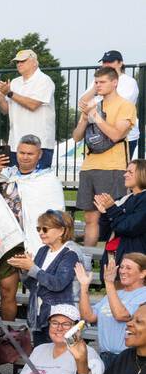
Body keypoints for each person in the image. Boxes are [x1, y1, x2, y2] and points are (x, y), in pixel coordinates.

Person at [0, 137, 67, 321]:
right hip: (10, 241)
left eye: (30, 153)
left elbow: (57, 215)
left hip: (37, 243)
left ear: (39, 155)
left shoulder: (48, 180)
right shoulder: (5, 174)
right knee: (6, 290)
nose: (25, 157)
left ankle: (41, 333)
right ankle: (8, 336)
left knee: (42, 291)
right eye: (21, 153)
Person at [72, 65, 136, 247]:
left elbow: (117, 135)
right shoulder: (94, 104)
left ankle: (113, 259)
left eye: (102, 82)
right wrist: (85, 119)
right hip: (89, 166)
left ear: (114, 83)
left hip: (113, 167)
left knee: (113, 215)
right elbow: (76, 137)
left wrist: (96, 117)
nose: (98, 86)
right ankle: (87, 258)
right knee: (90, 218)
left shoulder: (126, 105)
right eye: (96, 82)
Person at [9, 210, 80, 343]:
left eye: (45, 229)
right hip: (40, 316)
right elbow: (33, 285)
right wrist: (24, 270)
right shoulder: (43, 251)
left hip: (61, 319)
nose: (41, 232)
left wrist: (32, 268)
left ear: (61, 231)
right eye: (39, 228)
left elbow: (58, 283)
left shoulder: (70, 254)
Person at [0, 48, 57, 169]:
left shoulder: (44, 81)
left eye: (23, 61)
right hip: (15, 143)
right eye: (17, 62)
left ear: (34, 62)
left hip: (39, 144)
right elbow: (5, 110)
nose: (19, 64)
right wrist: (1, 95)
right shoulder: (15, 82)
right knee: (15, 184)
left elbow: (33, 105)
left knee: (36, 183)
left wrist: (10, 93)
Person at [74, 253, 146, 358]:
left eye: (128, 268)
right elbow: (88, 316)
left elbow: (121, 315)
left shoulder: (143, 294)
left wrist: (109, 283)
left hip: (128, 357)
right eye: (121, 267)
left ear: (143, 273)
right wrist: (84, 285)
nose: (122, 271)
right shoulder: (115, 293)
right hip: (105, 355)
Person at [90, 50, 140, 157]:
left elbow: (116, 103)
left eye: (110, 61)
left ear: (120, 63)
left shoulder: (129, 82)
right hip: (100, 134)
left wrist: (95, 101)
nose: (106, 65)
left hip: (125, 137)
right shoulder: (97, 82)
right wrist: (95, 90)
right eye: (104, 62)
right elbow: (82, 103)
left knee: (121, 171)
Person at [100, 159, 146, 265]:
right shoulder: (123, 199)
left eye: (130, 172)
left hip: (135, 265)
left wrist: (111, 209)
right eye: (126, 171)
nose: (125, 175)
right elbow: (103, 234)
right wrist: (103, 213)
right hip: (114, 260)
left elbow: (129, 228)